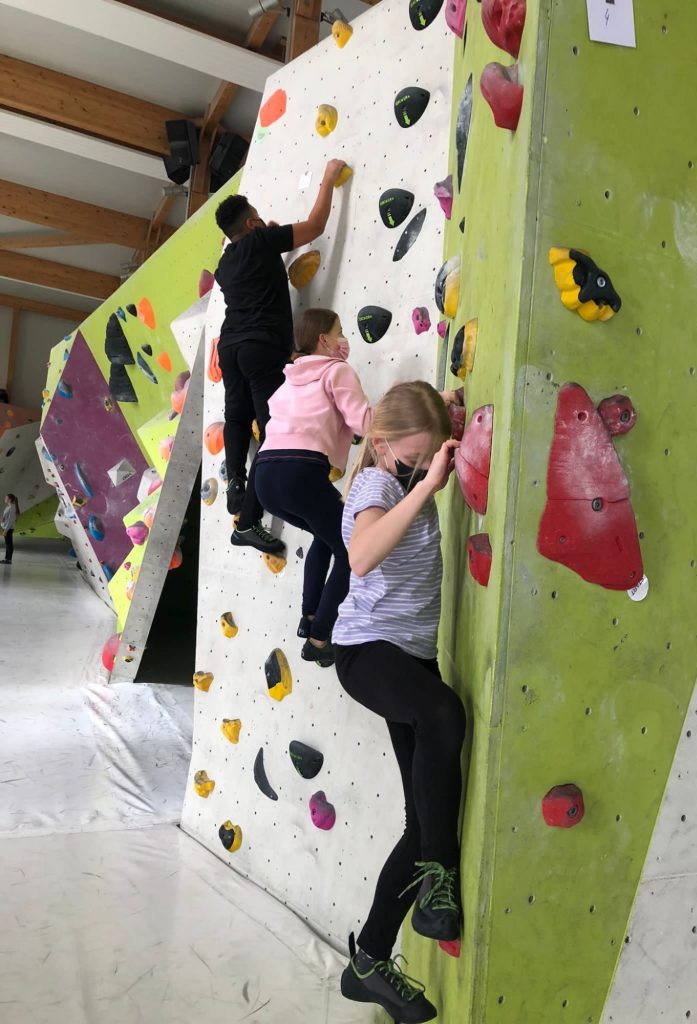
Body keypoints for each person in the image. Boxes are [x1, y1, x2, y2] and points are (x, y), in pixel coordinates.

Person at [333, 382, 466, 1024]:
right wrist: (424, 483)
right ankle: (440, 879)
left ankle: (368, 962)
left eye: (426, 459)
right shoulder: (376, 485)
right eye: (410, 459)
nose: (420, 469)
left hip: (410, 656)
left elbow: (431, 419)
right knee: (443, 713)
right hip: (368, 651)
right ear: (382, 446)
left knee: (422, 821)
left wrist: (450, 413)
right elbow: (360, 557)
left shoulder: (401, 466)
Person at [214, 157, 349, 555]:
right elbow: (316, 226)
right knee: (275, 436)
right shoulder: (261, 242)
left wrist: (265, 234)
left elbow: (256, 263)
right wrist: (328, 178)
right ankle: (247, 522)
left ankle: (235, 483)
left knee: (237, 417)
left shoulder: (226, 263)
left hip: (230, 347)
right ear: (252, 223)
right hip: (261, 348)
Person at [254, 308, 373, 667]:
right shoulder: (336, 371)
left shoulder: (288, 381)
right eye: (339, 331)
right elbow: (366, 423)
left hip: (265, 477)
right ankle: (320, 639)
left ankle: (309, 617)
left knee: (325, 536)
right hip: (300, 471)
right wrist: (409, 405)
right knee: (352, 546)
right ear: (324, 339)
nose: (343, 339)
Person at [1, 493, 20, 565]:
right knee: (7, 544)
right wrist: (2, 520)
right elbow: (6, 519)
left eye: (6, 498)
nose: (5, 499)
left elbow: (11, 520)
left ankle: (9, 560)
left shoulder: (12, 507)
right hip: (6, 527)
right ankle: (7, 559)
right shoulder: (8, 507)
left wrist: (5, 531)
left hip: (8, 528)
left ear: (10, 499)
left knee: (9, 544)